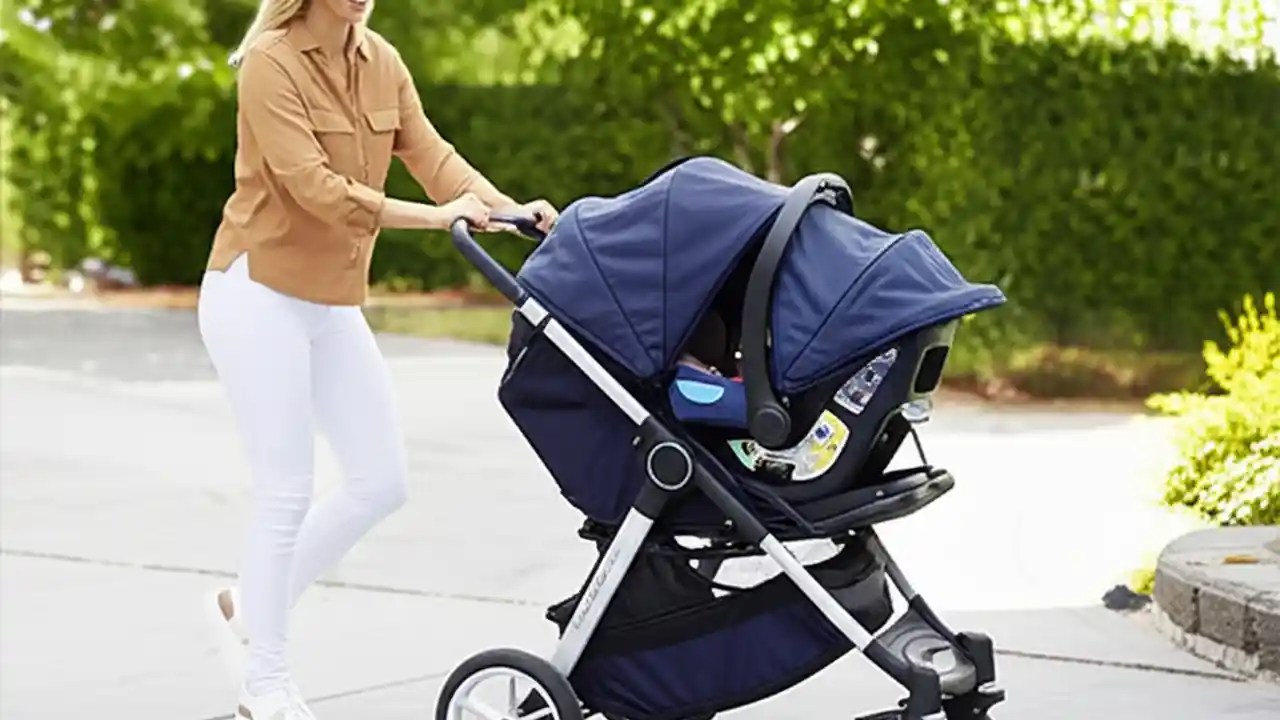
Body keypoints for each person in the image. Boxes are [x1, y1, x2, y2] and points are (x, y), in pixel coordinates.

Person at [197, 1, 558, 718]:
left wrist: (510, 209)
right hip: (256, 291)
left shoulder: (381, 60)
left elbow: (431, 155)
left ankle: (253, 601)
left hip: (329, 299)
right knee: (286, 488)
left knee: (380, 479)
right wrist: (438, 219)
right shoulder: (270, 64)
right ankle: (264, 683)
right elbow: (316, 191)